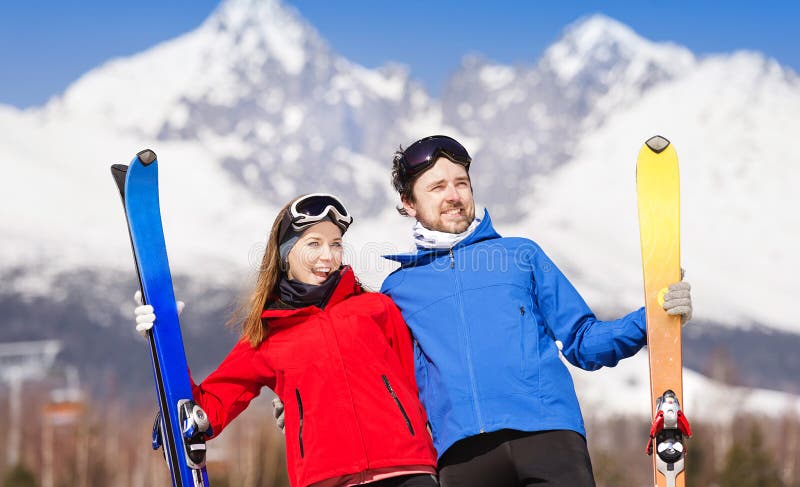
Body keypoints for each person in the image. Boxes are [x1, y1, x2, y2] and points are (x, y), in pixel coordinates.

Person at [378, 135, 693, 487]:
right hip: (461, 455)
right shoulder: (398, 291)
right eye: (437, 187)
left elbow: (582, 341)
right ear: (409, 202)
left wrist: (653, 317)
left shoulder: (520, 256)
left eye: (461, 183)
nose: (454, 196)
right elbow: (390, 389)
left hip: (548, 436)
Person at [134, 193, 438, 487]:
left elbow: (417, 382)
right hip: (326, 478)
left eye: (336, 244)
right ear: (285, 254)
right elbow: (209, 409)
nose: (327, 256)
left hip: (408, 468)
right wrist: (165, 337)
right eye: (314, 244)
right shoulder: (268, 334)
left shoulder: (376, 308)